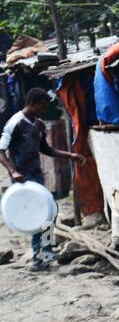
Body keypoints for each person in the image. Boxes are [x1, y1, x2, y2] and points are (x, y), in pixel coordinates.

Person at [1, 88, 86, 269]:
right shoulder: (15, 123)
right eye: (42, 107)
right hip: (22, 180)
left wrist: (70, 156)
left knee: (50, 212)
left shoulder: (39, 124)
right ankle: (37, 256)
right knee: (36, 216)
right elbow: (1, 150)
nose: (44, 110)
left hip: (37, 176)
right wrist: (13, 171)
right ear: (32, 104)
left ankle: (47, 251)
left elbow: (46, 149)